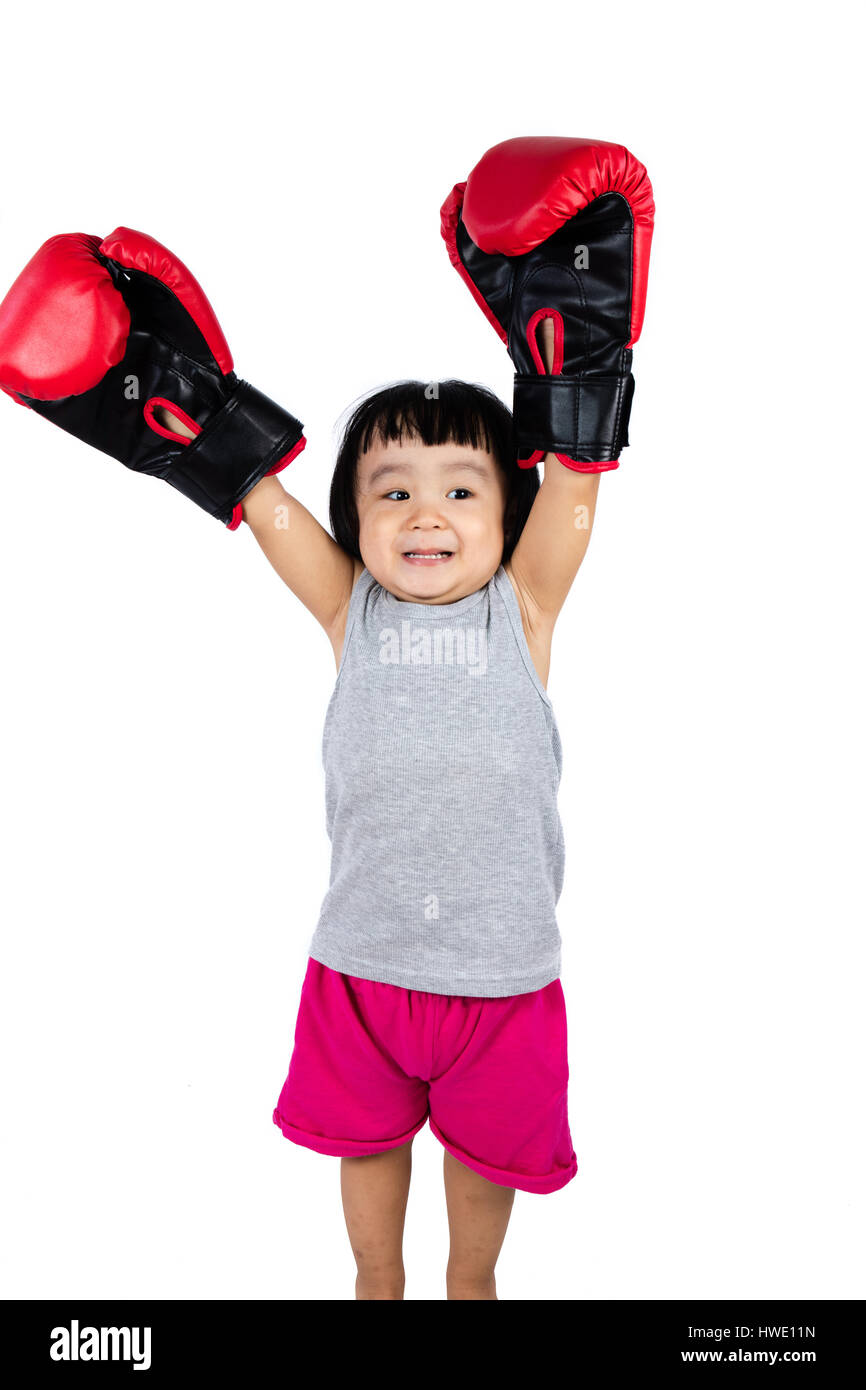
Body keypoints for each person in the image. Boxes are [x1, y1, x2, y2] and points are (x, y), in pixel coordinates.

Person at [0, 136, 653, 1300]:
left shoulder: (525, 611)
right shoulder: (353, 609)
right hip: (360, 970)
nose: (424, 514)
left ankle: (469, 1288)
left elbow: (576, 489)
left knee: (480, 1173)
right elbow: (264, 502)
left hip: (500, 980)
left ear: (505, 514)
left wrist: (580, 358)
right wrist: (199, 423)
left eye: (461, 490)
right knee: (365, 1150)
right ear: (356, 515)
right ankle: (371, 1286)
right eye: (390, 490)